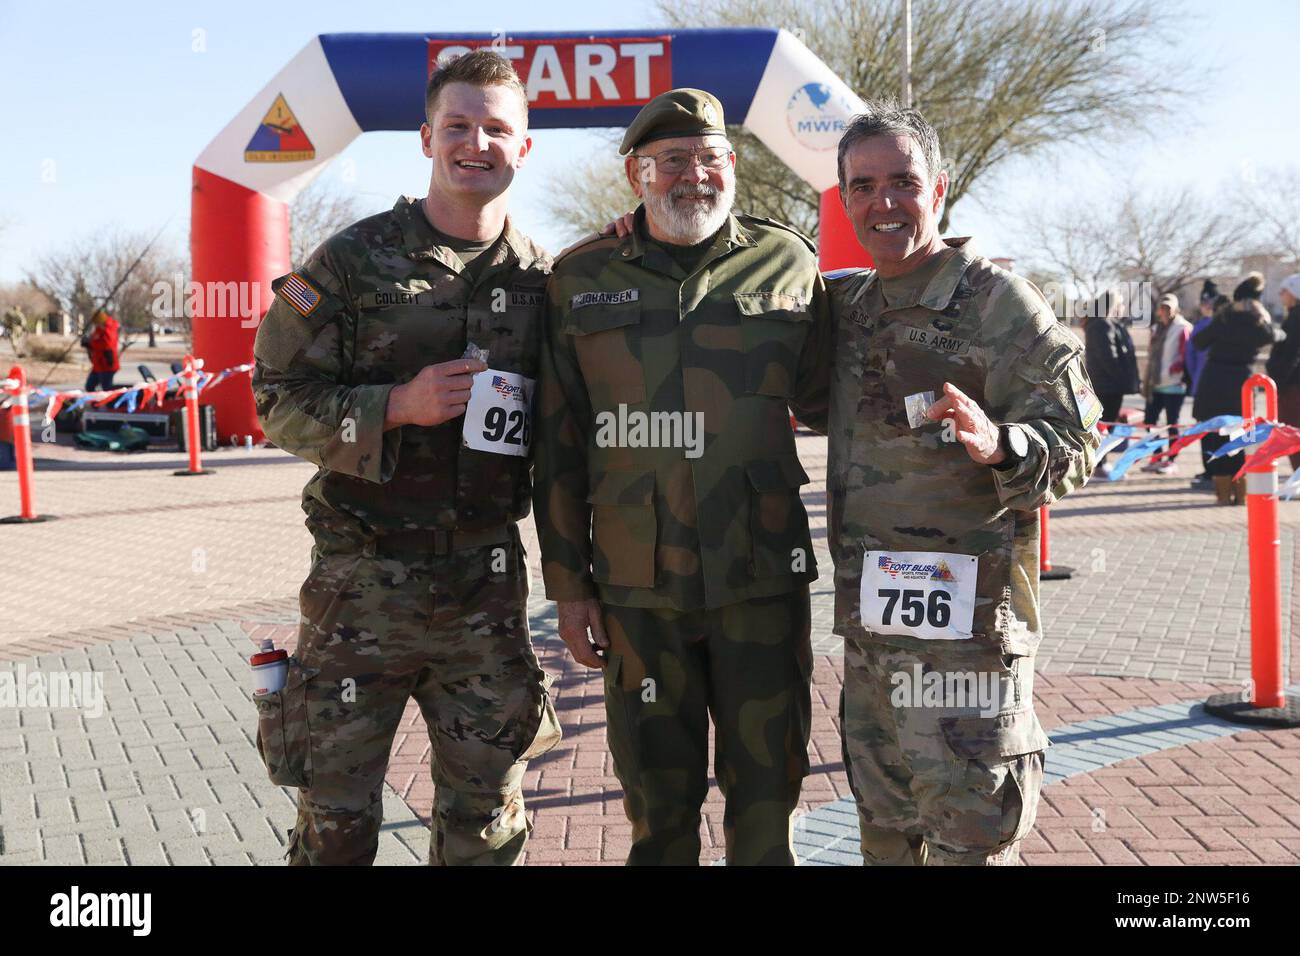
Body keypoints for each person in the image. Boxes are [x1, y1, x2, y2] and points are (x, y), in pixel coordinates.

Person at [251, 49, 560, 866]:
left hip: (486, 592)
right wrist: (394, 406)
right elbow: (273, 397)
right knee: (337, 823)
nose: (476, 143)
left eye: (498, 128)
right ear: (426, 137)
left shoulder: (547, 280)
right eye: (457, 124)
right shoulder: (350, 265)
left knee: (486, 821)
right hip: (363, 587)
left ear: (524, 147)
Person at [534, 88, 831, 865]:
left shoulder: (792, 262)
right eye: (671, 161)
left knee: (769, 797)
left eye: (709, 159)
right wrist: (568, 587)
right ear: (637, 174)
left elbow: (840, 396)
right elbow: (558, 447)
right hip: (639, 592)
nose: (692, 176)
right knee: (659, 807)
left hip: (762, 581)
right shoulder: (578, 278)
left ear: (732, 166)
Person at [824, 102, 1098, 865]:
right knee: (886, 838)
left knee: (969, 844)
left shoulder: (997, 303)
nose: (884, 201)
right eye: (864, 184)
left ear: (938, 189)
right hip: (872, 645)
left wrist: (1002, 442)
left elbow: (1083, 440)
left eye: (903, 182)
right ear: (845, 198)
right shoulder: (845, 308)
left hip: (968, 652)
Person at [1193, 272, 1277, 505]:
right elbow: (1271, 336)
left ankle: (1221, 493)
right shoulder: (1258, 321)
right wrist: (1263, 315)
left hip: (1214, 380)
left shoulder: (1225, 317)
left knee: (1214, 436)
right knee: (1241, 436)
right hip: (1242, 384)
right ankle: (1241, 494)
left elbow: (1198, 341)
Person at [1083, 290, 1140, 478]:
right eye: (1120, 303)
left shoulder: (1103, 324)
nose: (1123, 307)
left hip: (1107, 384)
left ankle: (1100, 462)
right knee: (1104, 426)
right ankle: (1100, 463)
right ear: (1112, 305)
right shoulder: (1102, 325)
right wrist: (1122, 378)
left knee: (1104, 425)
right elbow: (1108, 357)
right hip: (1107, 385)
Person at [1139, 294, 1192, 475]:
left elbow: (1187, 354)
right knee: (1150, 421)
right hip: (1155, 383)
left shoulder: (1182, 328)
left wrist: (1177, 368)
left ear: (1175, 309)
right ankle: (1156, 456)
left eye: (1169, 308)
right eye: (1163, 307)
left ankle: (1171, 460)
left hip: (1174, 384)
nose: (1165, 311)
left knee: (1172, 424)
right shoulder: (1155, 329)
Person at [1185, 280, 1220, 487]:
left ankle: (1215, 471)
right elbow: (1190, 358)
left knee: (1213, 432)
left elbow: (1191, 358)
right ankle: (1211, 470)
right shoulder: (1200, 326)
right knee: (1208, 431)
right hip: (1203, 385)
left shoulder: (1209, 326)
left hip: (1208, 386)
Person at [1265, 273, 1300, 472]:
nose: (1281, 295)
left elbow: (1291, 354)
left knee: (1292, 434)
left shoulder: (1296, 319)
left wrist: (1279, 382)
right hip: (1292, 384)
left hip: (1292, 386)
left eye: (1284, 291)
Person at [83, 310, 119, 391]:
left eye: (97, 323)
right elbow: (95, 340)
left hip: (107, 364)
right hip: (98, 365)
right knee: (89, 386)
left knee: (107, 388)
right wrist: (88, 343)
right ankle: (95, 403)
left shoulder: (110, 328)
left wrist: (91, 343)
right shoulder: (99, 329)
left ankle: (110, 403)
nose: (96, 325)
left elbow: (107, 344)